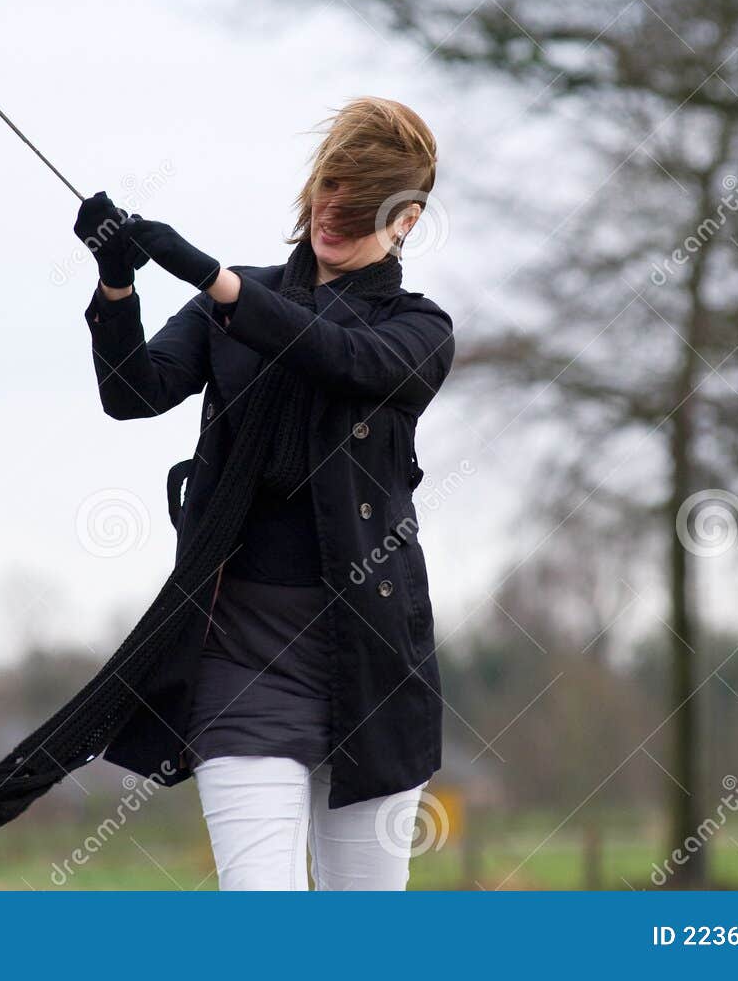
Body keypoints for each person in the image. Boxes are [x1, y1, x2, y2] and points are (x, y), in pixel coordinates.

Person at [71, 97, 454, 890]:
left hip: (372, 666)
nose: (335, 213)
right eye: (329, 189)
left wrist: (217, 280)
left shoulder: (418, 330)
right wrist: (117, 288)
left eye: (361, 204)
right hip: (242, 660)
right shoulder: (230, 307)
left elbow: (343, 359)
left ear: (408, 220)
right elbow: (132, 393)